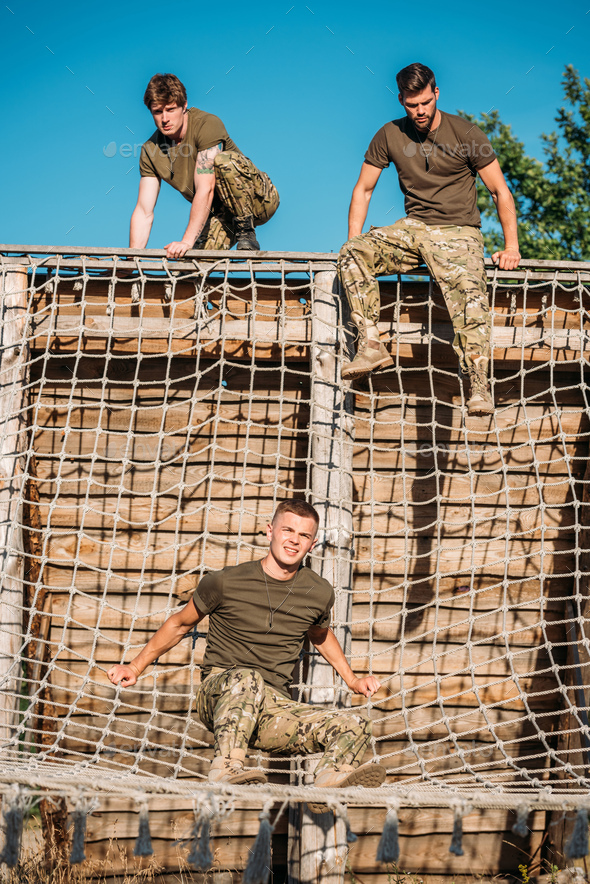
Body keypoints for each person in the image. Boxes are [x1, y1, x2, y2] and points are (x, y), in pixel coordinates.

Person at [108, 499, 386, 798]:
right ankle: (225, 767)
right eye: (287, 530)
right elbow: (179, 624)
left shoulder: (318, 592)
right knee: (247, 678)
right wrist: (135, 667)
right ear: (270, 532)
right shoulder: (226, 581)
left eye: (304, 536)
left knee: (354, 723)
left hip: (271, 710)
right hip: (221, 696)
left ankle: (330, 783)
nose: (294, 540)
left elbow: (320, 635)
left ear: (312, 543)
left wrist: (352, 680)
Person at [338, 62, 521, 415]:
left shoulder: (467, 133)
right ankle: (371, 344)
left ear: (436, 94)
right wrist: (354, 242)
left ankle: (479, 384)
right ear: (401, 100)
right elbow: (363, 189)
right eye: (411, 104)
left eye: (424, 102)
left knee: (469, 291)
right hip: (414, 227)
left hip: (458, 230)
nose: (419, 111)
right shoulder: (389, 134)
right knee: (352, 251)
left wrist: (511, 247)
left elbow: (500, 191)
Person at [129, 73, 279, 257]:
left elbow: (205, 187)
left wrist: (186, 241)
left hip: (259, 198)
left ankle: (246, 232)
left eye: (171, 109)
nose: (165, 118)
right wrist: (131, 261)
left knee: (224, 161)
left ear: (184, 106)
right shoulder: (150, 151)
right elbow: (144, 210)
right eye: (158, 112)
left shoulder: (206, 124)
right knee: (189, 269)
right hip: (220, 213)